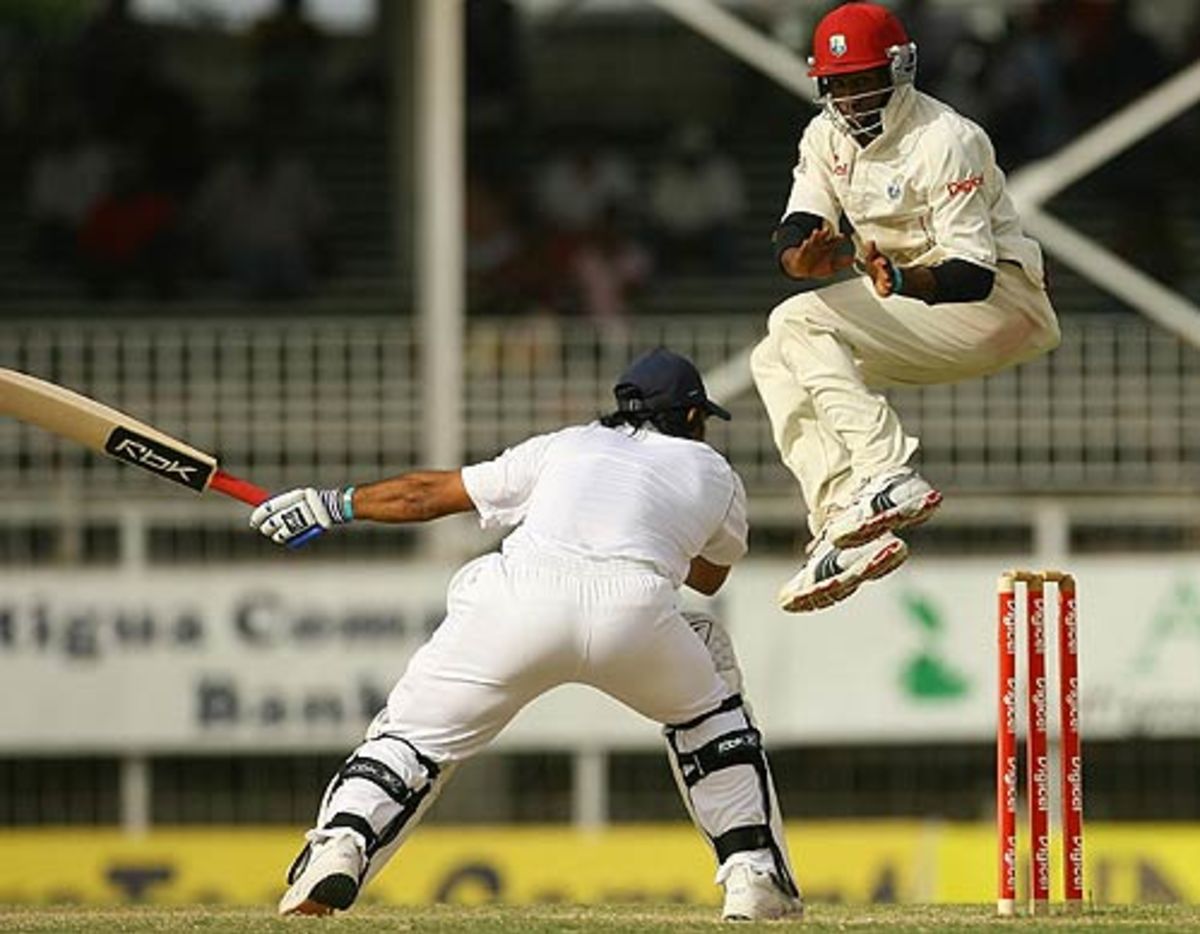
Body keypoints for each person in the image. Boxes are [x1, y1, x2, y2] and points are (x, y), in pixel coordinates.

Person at [249, 348, 803, 922]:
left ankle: (342, 841)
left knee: (411, 741)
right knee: (710, 709)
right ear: (693, 418)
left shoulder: (564, 444)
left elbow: (425, 495)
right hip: (634, 615)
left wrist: (330, 505)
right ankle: (751, 872)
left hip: (517, 605)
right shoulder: (713, 471)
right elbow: (708, 576)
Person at [751, 2, 1061, 613]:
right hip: (910, 302)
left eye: (865, 81)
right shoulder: (824, 137)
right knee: (773, 356)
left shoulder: (947, 138)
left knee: (795, 320)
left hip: (1001, 304)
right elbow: (799, 226)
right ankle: (842, 523)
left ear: (899, 71)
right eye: (839, 85)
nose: (853, 98)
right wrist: (801, 262)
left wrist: (900, 275)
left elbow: (971, 272)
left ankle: (886, 472)